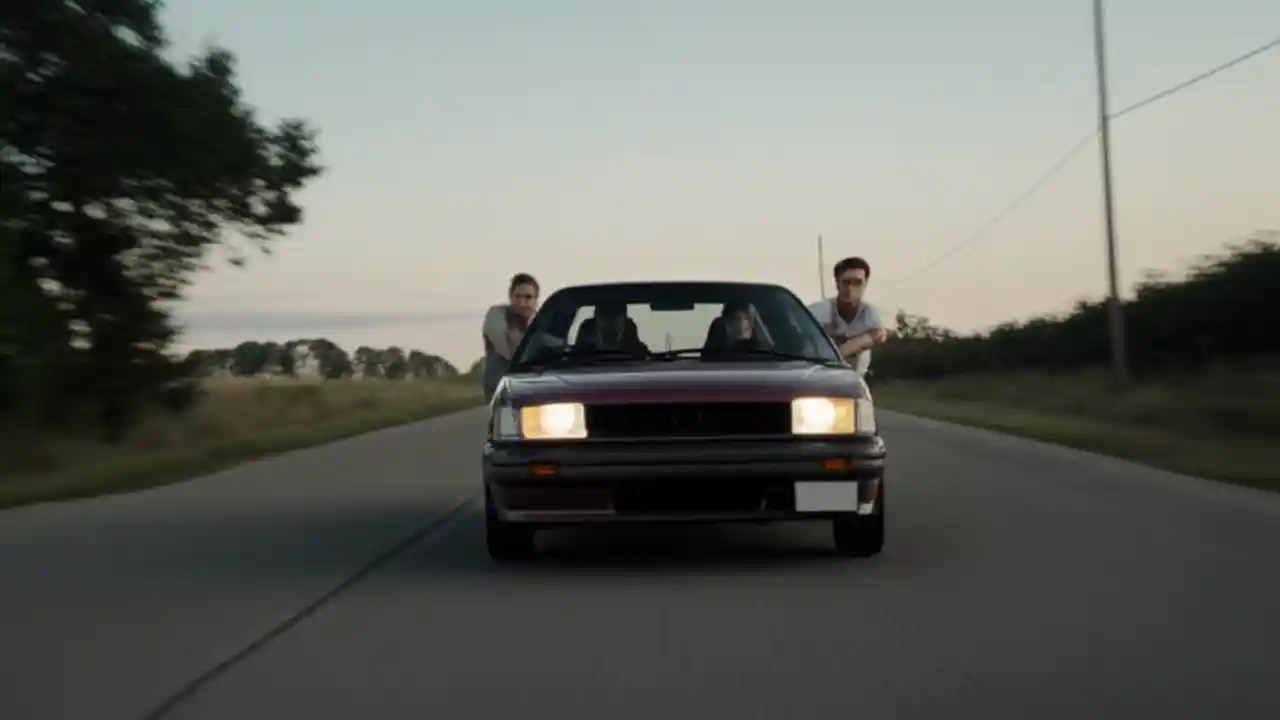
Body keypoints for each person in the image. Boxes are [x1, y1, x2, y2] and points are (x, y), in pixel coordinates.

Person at [807, 256, 888, 374]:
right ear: (837, 283)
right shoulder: (820, 310)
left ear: (865, 284)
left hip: (856, 378)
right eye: (846, 282)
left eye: (857, 283)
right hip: (821, 374)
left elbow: (879, 334)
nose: (850, 288)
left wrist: (845, 349)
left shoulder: (868, 311)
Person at [481, 273, 539, 401]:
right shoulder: (497, 314)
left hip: (533, 388)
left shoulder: (541, 321)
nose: (522, 302)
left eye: (528, 297)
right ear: (510, 296)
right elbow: (496, 335)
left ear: (536, 300)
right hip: (501, 389)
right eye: (517, 296)